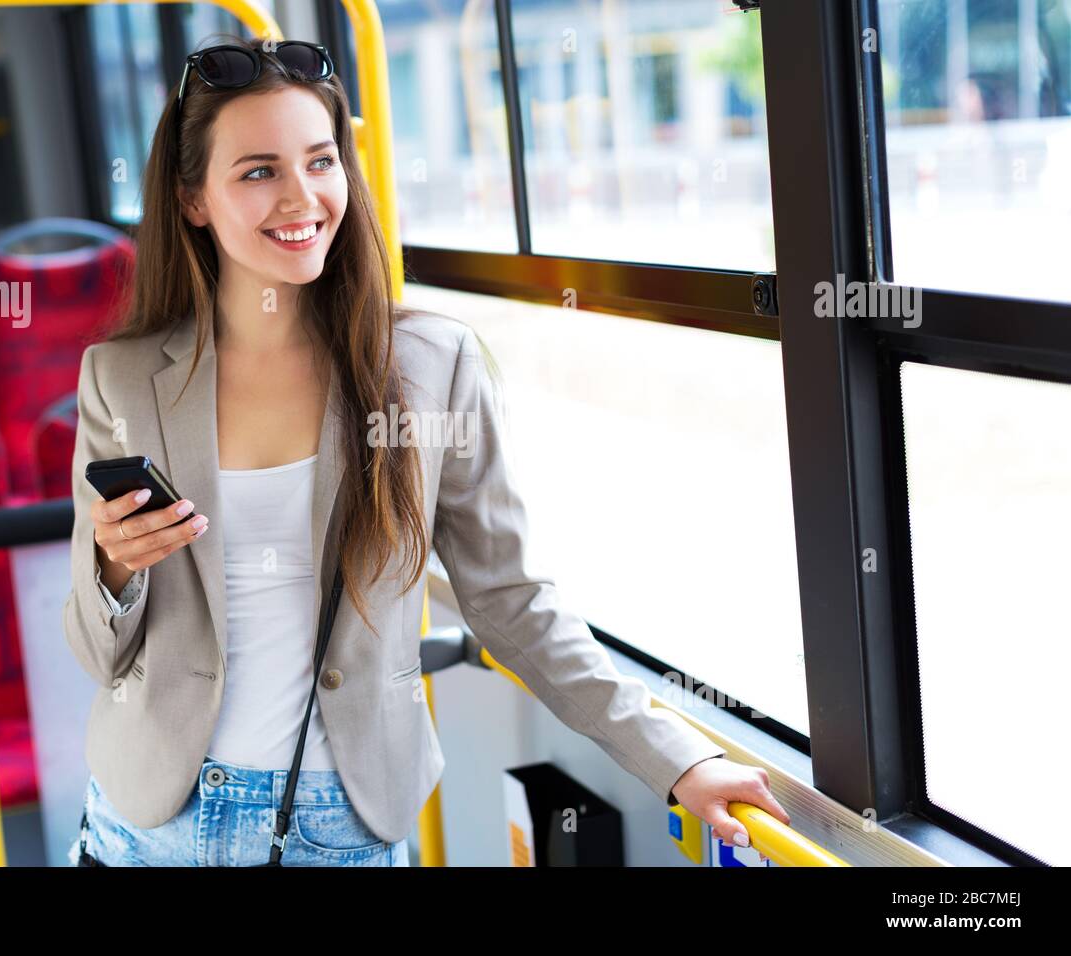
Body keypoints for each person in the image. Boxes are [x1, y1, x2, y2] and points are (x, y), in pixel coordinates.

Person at [63, 33, 789, 867]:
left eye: (321, 161)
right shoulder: (121, 379)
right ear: (193, 198)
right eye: (258, 171)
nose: (302, 197)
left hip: (338, 828)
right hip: (148, 823)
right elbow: (95, 651)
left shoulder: (430, 366)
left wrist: (675, 758)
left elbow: (509, 598)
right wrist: (115, 568)